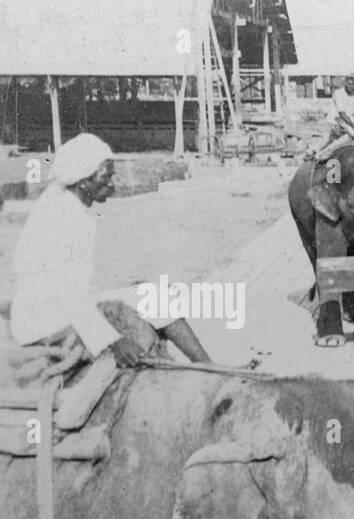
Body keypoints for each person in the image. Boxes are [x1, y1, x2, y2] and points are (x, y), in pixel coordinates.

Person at [8, 134, 211, 382]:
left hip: (58, 303)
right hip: (43, 318)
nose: (112, 184)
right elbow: (69, 295)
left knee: (155, 295)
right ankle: (207, 369)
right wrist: (112, 341)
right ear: (83, 182)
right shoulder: (67, 218)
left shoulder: (65, 203)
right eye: (106, 176)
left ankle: (209, 367)